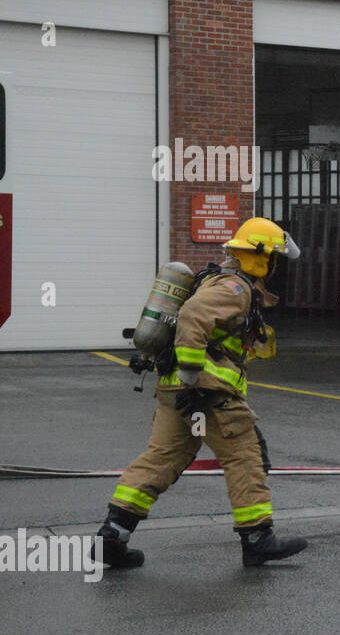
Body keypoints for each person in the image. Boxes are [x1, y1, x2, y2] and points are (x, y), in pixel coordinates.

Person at [95, 218, 309, 568]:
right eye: (273, 258)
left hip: (174, 389)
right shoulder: (235, 289)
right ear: (258, 258)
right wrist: (193, 374)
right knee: (245, 455)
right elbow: (194, 315)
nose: (275, 267)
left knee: (161, 459)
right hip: (206, 393)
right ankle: (257, 539)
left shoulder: (215, 280)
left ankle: (113, 536)